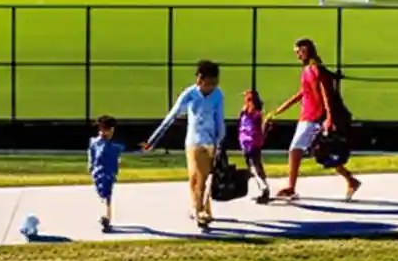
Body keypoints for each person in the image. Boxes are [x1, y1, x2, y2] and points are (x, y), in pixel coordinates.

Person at [266, 38, 361, 202]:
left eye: (298, 52)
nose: (297, 56)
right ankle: (350, 180)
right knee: (321, 152)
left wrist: (329, 117)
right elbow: (302, 93)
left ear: (306, 50)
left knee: (296, 149)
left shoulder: (316, 69)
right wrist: (280, 109)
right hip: (308, 115)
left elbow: (326, 94)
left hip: (314, 117)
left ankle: (291, 187)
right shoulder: (308, 69)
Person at [141, 60, 225, 229]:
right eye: (208, 83)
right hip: (194, 142)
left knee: (206, 178)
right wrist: (153, 140)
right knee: (196, 177)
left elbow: (219, 120)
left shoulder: (218, 95)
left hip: (210, 142)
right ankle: (199, 211)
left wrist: (220, 142)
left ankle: (203, 209)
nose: (211, 87)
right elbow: (171, 116)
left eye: (214, 83)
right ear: (199, 80)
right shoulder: (190, 94)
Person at [88, 114, 126, 231]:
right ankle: (105, 216)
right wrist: (91, 168)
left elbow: (121, 152)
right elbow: (92, 156)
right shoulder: (96, 143)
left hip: (109, 174)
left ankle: (106, 218)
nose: (107, 132)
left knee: (107, 196)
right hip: (99, 173)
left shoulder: (115, 145)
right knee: (103, 195)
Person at [238, 89, 271, 204]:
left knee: (254, 167)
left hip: (252, 144)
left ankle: (264, 189)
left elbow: (260, 129)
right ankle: (262, 187)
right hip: (246, 143)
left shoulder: (256, 114)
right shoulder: (244, 112)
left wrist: (265, 128)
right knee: (253, 166)